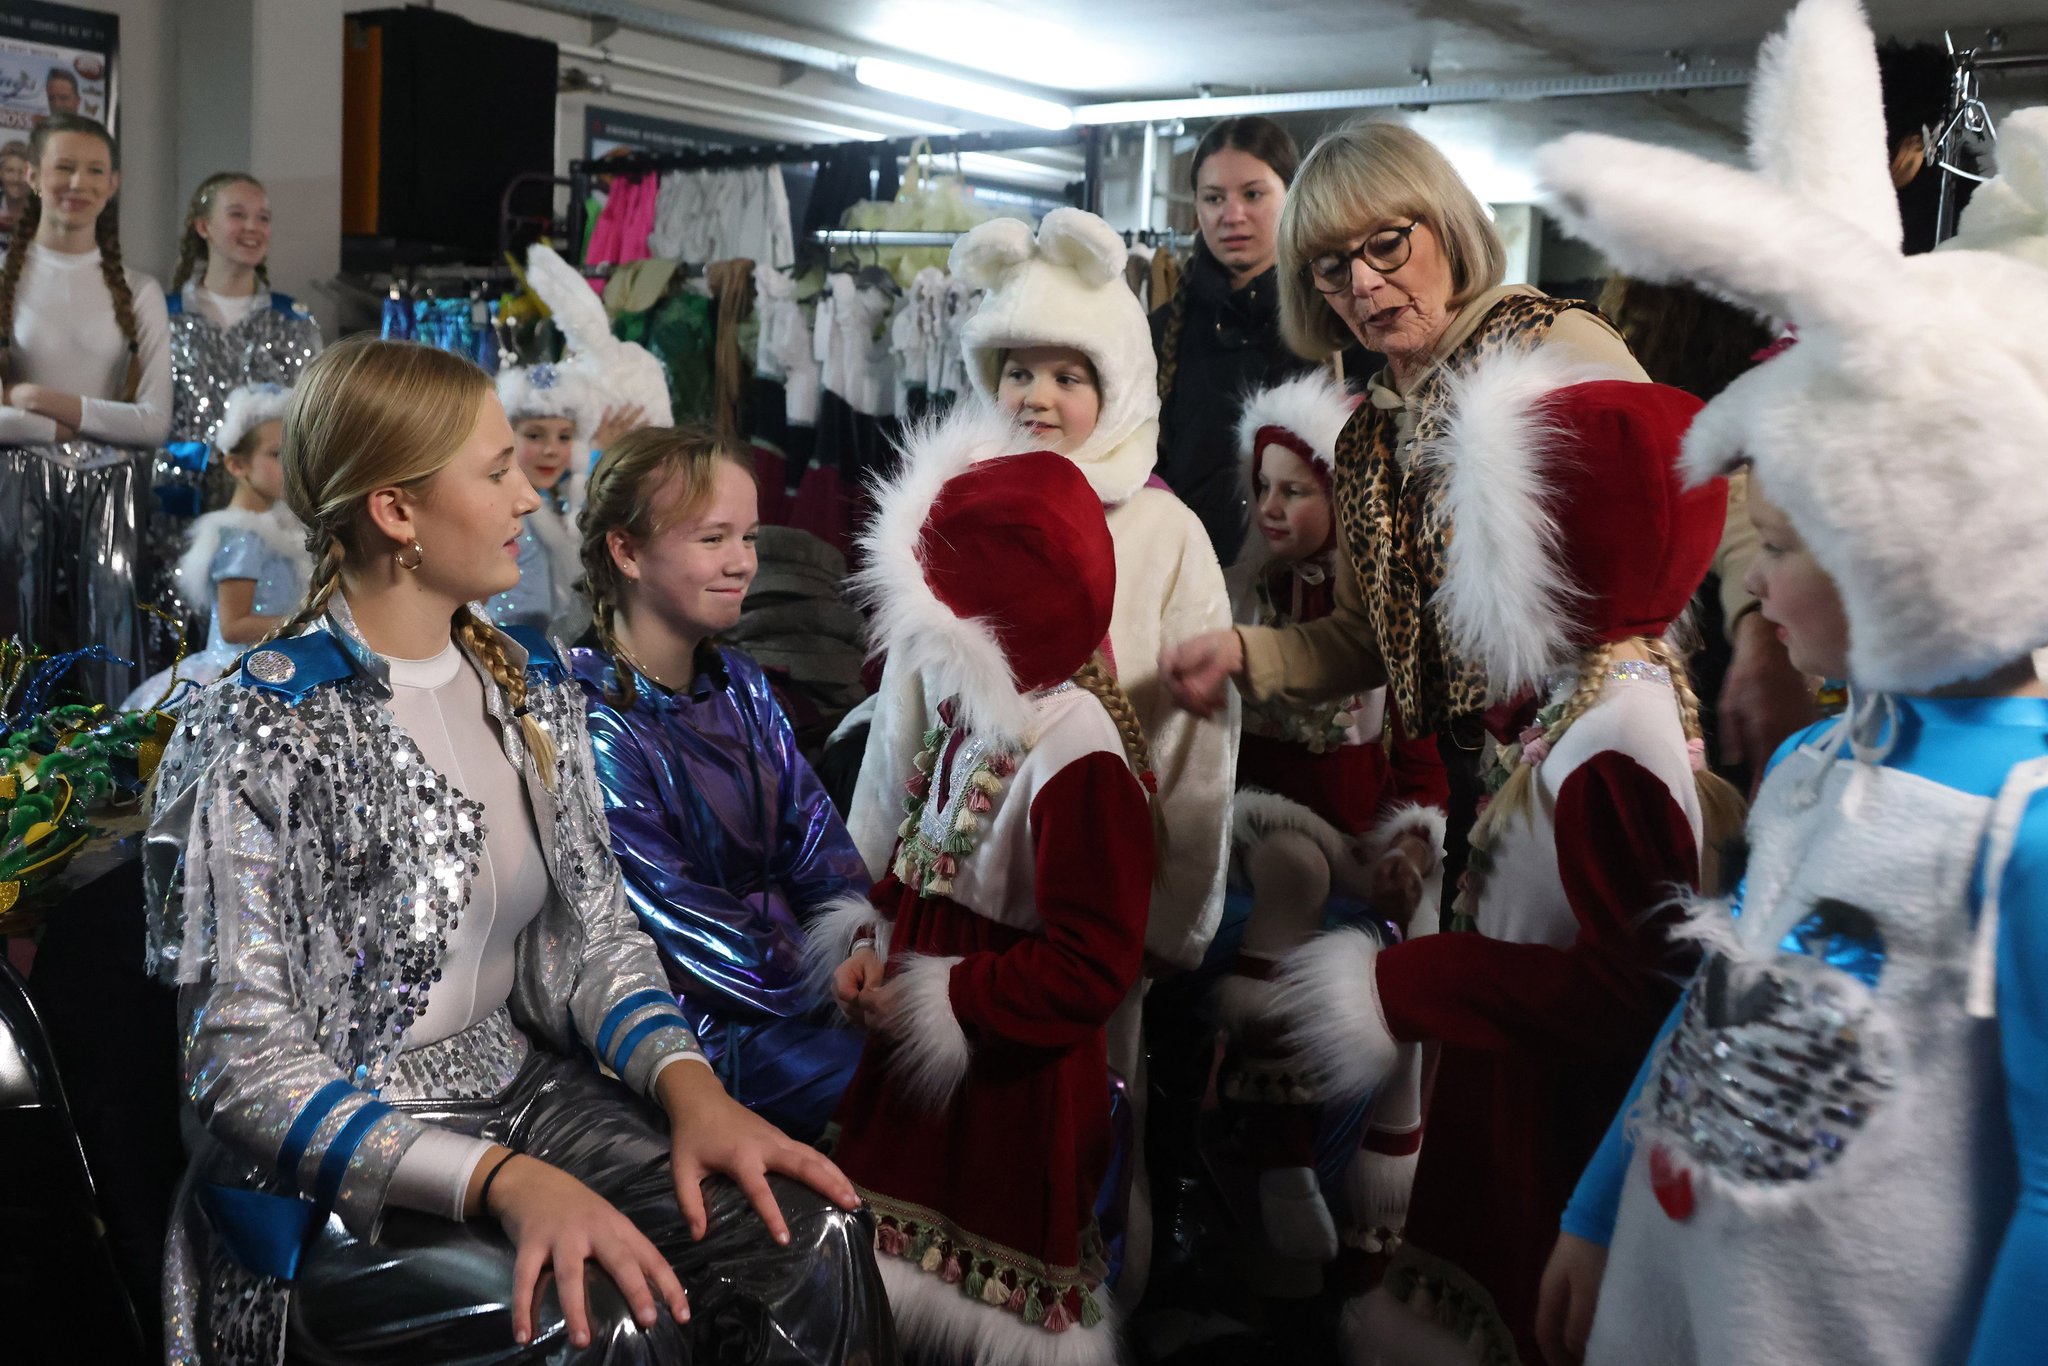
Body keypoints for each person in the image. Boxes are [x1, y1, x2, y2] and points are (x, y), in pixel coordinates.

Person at [143, 337, 895, 1366]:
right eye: (496, 472)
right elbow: (238, 1061)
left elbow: (594, 937)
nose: (526, 499)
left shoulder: (528, 686)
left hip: (526, 1089)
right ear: (396, 512)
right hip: (335, 1167)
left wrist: (693, 1090)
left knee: (808, 1235)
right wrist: (497, 1177)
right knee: (605, 1320)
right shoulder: (261, 727)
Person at [1530, 2, 2048, 1361]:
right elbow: (1717, 1000)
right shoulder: (1819, 764)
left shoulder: (2026, 836)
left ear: (1913, 538)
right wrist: (1598, 1207)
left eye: (1788, 543)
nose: (1753, 585)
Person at [1158, 118, 1753, 919]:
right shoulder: (1369, 434)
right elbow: (1367, 640)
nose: (1363, 285)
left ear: (1446, 226)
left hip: (1596, 753)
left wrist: (1755, 628)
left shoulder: (1546, 345)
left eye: (1388, 246)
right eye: (1333, 267)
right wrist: (1240, 650)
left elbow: (1690, 489)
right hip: (1474, 784)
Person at [1275, 353, 1744, 1364]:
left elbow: (1632, 990)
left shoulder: (1612, 737)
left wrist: (1425, 978)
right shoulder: (1595, 695)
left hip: (1547, 1111)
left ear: (1566, 544)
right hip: (1515, 1081)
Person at [846, 209, 1236, 1303]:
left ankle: (1095, 1303)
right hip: (954, 892)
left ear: (1118, 383)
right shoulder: (956, 519)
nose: (1035, 397)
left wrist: (1175, 918)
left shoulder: (1163, 534)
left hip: (1095, 892)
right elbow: (901, 719)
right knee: (943, 1145)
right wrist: (869, 892)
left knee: (1092, 1124)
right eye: (1014, 369)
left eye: (1069, 373)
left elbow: (1203, 744)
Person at [813, 422, 1155, 1366]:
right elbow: (921, 860)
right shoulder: (975, 710)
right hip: (917, 1074)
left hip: (1010, 1089)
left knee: (978, 1325)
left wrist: (943, 997)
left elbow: (1095, 961)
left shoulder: (1078, 755)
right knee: (886, 1298)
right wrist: (870, 939)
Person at [1212, 371, 1449, 1267]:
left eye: (1295, 490)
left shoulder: (1383, 620)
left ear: (1342, 497)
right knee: (1295, 874)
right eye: (1262, 488)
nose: (1271, 507)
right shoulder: (1242, 601)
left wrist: (1410, 846)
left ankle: (1385, 1184)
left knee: (1411, 921)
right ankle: (1277, 1156)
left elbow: (1417, 764)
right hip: (1260, 823)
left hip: (1355, 831)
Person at [573, 424, 867, 1143]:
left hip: (801, 993)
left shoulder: (740, 683)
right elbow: (683, 928)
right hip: (706, 1033)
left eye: (750, 537)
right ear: (626, 549)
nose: (743, 563)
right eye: (713, 540)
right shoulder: (595, 716)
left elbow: (819, 846)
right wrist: (826, 984)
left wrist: (859, 946)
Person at [0, 114, 172, 702]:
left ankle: (114, 786)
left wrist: (38, 398)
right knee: (15, 653)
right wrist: (50, 424)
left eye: (94, 169)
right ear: (32, 175)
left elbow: (153, 422)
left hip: (113, 494)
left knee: (110, 655)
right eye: (64, 167)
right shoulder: (5, 275)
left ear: (114, 183)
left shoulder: (139, 289)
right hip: (15, 489)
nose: (79, 182)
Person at [1151, 116, 1325, 566]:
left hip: (1306, 593)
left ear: (1291, 195)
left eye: (1252, 194)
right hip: (1180, 579)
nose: (1232, 216)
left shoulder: (1334, 325)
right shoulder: (1156, 332)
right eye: (1213, 198)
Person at [121, 382, 304, 710]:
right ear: (237, 465)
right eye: (277, 454)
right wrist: (305, 621)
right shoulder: (241, 535)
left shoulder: (278, 530)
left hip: (275, 666)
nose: (291, 466)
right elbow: (234, 627)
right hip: (241, 674)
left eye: (295, 453)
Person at [483, 361, 592, 640]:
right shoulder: (510, 517)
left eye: (564, 437)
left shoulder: (562, 503)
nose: (551, 450)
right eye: (534, 435)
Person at [0, 140, 30, 240]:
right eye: (10, 171)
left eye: (22, 172)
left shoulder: (42, 211)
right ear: (1, 173)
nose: (16, 179)